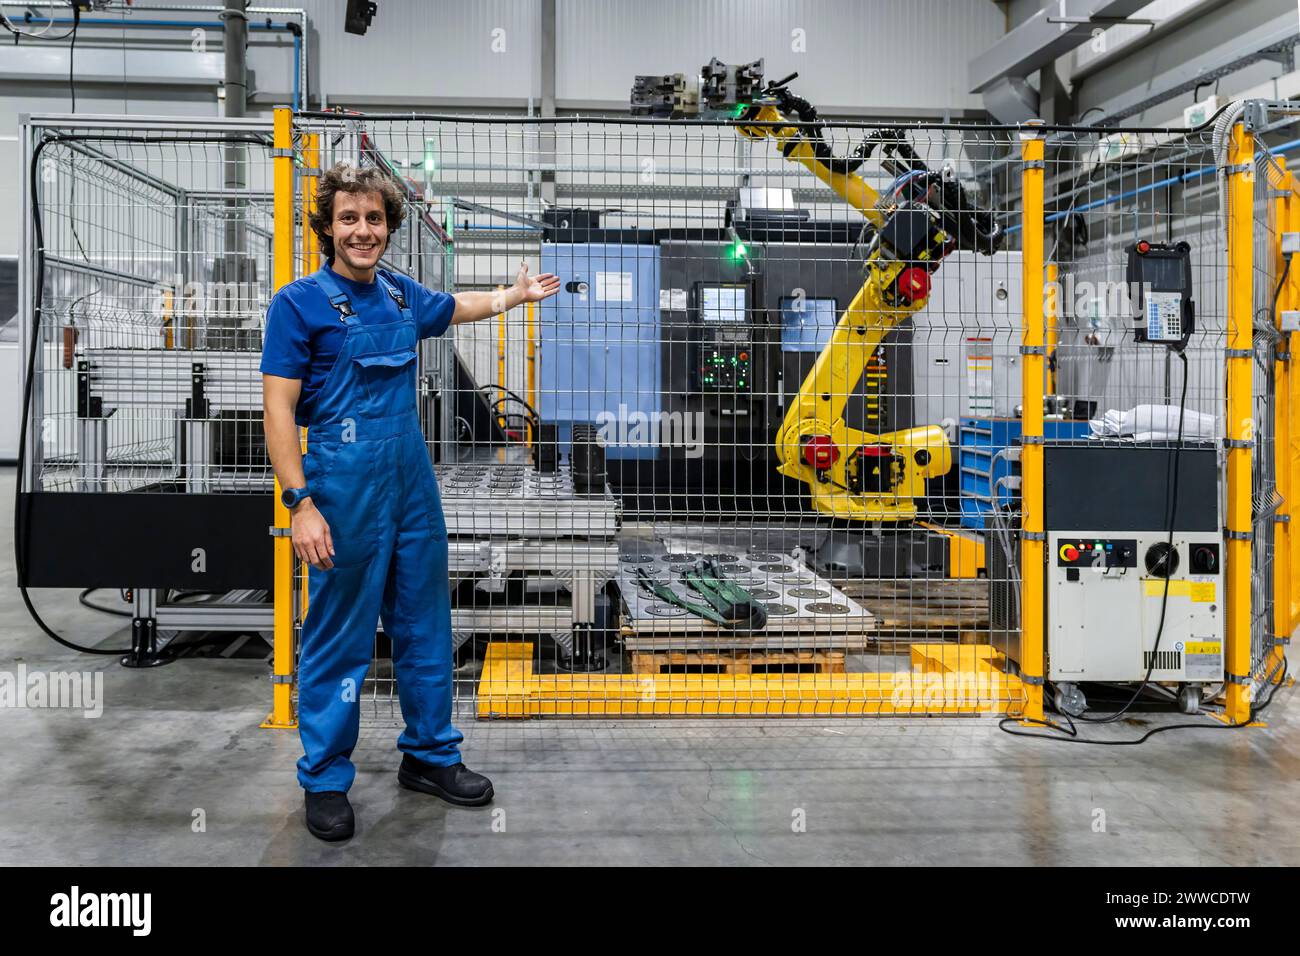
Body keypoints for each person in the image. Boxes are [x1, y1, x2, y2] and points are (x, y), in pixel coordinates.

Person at [260, 162, 560, 841]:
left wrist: (512, 295)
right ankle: (327, 777)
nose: (362, 231)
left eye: (373, 219)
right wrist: (300, 503)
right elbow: (278, 412)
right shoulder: (298, 303)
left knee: (425, 622)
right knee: (340, 636)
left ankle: (430, 756)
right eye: (348, 219)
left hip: (410, 481)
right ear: (327, 227)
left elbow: (458, 308)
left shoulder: (398, 295)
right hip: (341, 483)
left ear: (389, 228)